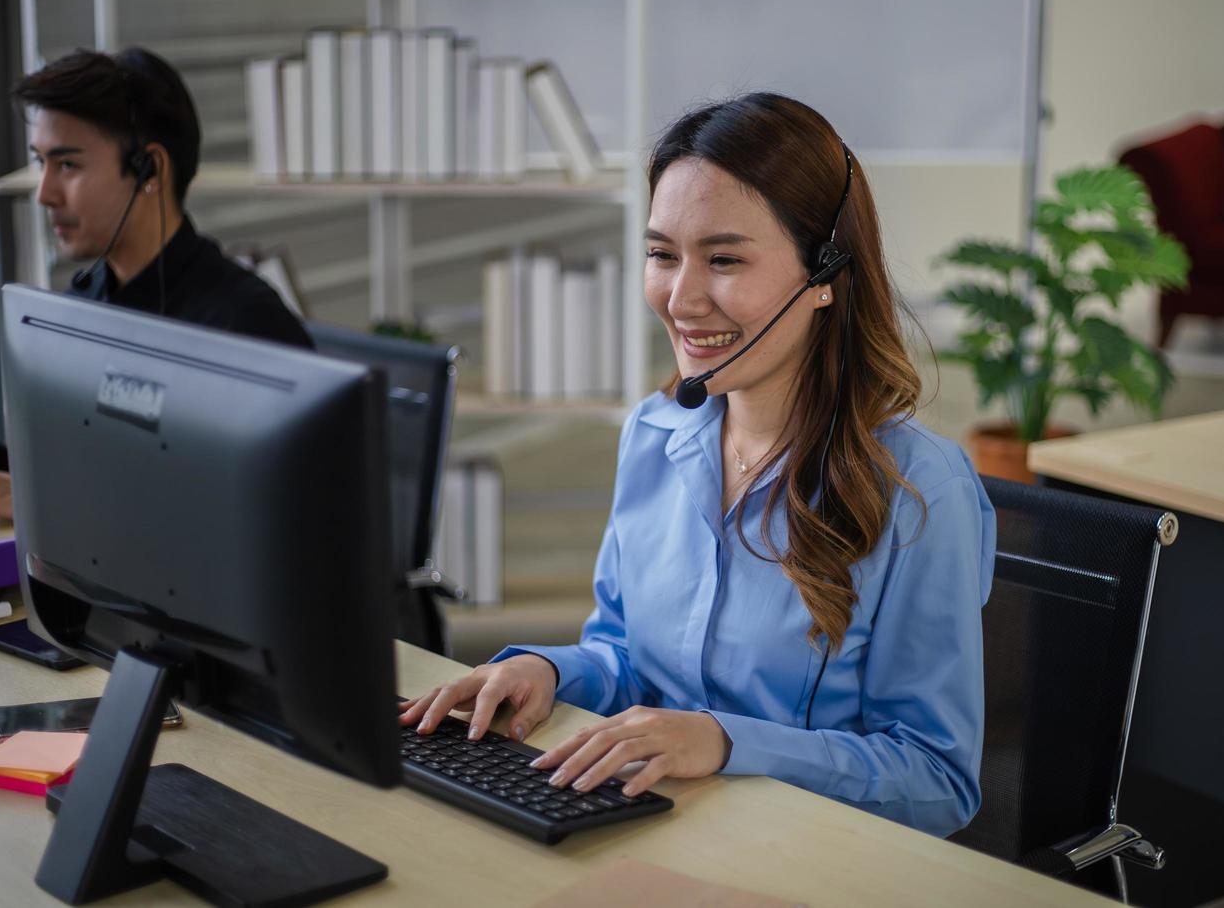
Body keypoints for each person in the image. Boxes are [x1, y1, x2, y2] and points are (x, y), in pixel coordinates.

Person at [401, 93, 996, 836]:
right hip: (661, 826)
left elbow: (937, 781)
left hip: (812, 861)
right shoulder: (655, 434)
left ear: (825, 274)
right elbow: (625, 654)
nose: (680, 299)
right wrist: (549, 672)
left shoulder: (916, 489)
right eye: (661, 254)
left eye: (723, 260)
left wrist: (723, 743)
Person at [0, 47, 313, 519]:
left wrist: (33, 499)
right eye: (41, 163)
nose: (44, 193)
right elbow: (84, 465)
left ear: (149, 170)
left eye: (68, 165)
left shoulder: (246, 329)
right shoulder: (80, 310)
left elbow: (251, 520)